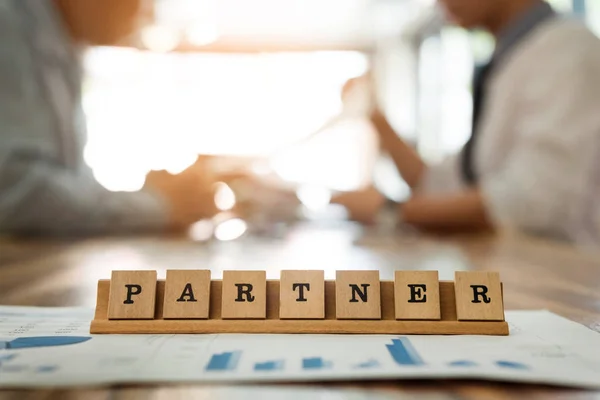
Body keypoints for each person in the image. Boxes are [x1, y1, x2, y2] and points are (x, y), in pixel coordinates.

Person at [371, 0, 600, 245]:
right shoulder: (513, 56)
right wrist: (375, 117)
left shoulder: (570, 52)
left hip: (570, 276)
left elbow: (533, 201)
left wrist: (392, 210)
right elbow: (449, 183)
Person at [0, 0, 218, 236]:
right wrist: (155, 204)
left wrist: (152, 198)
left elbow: (60, 186)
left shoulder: (60, 40)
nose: (146, 10)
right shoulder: (7, 26)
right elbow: (14, 195)